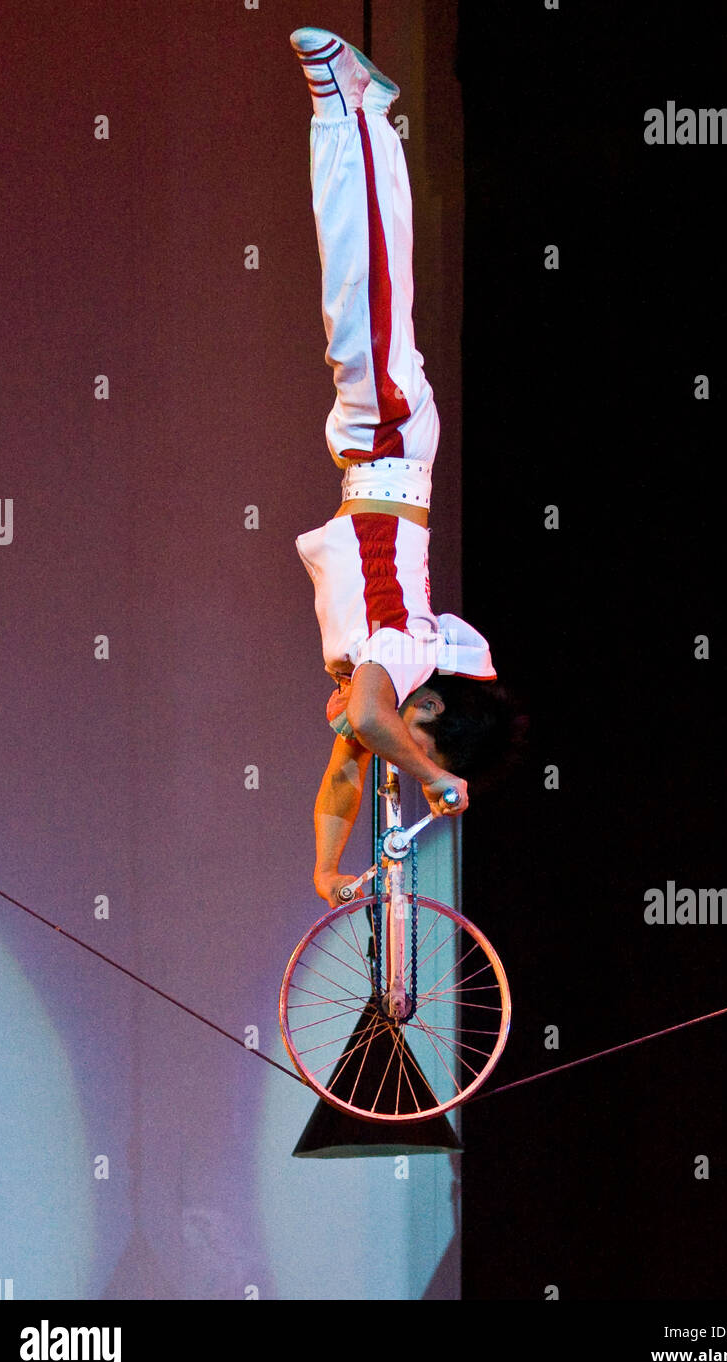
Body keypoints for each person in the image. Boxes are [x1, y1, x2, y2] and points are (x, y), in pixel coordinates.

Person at [290, 28, 522, 906]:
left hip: (367, 456)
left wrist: (322, 869)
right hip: (389, 447)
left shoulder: (379, 680)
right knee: (367, 283)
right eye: (425, 739)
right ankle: (359, 109)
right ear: (429, 716)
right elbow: (372, 725)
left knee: (360, 292)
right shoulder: (407, 656)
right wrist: (428, 772)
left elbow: (347, 772)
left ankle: (353, 112)